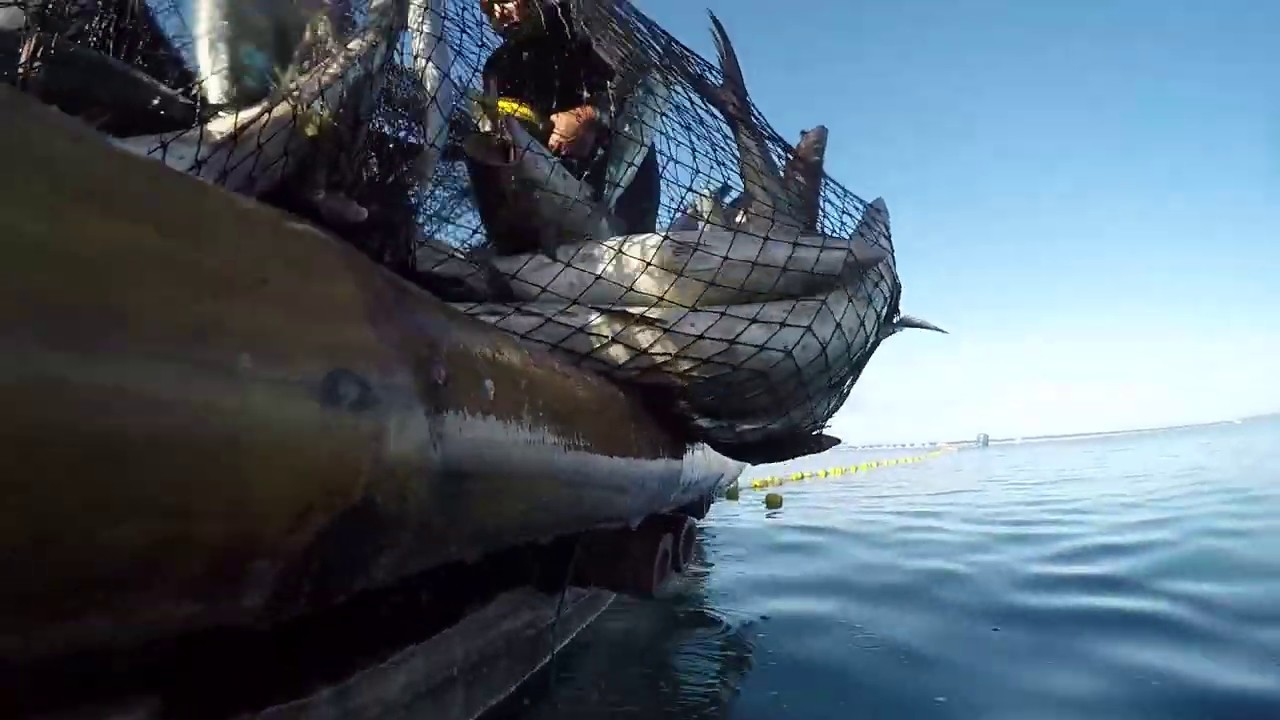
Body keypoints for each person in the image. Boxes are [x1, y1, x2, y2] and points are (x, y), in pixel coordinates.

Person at [470, 0, 661, 254]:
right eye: (487, 10)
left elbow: (646, 79)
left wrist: (590, 114)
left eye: (501, 0)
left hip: (621, 199)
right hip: (548, 210)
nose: (497, 14)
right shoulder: (497, 66)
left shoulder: (584, 17)